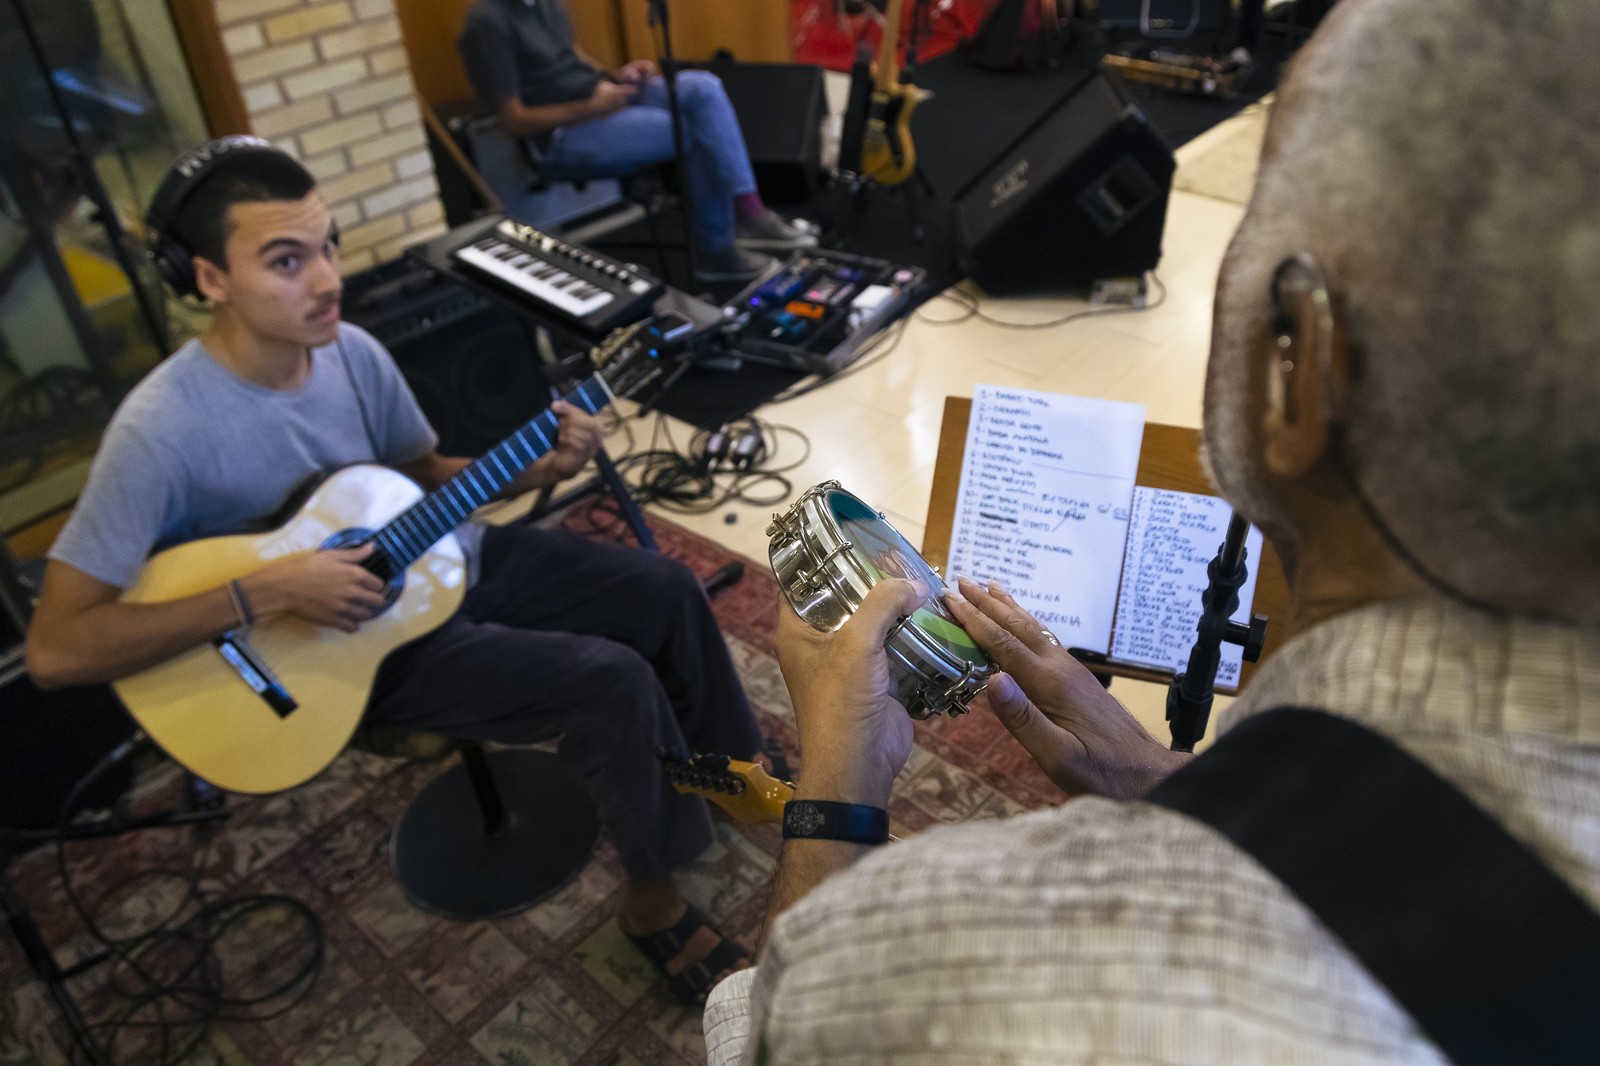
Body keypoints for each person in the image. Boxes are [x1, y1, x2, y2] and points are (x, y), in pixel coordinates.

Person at [705, 0, 1600, 1059]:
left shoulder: (975, 958)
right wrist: (1172, 785)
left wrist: (833, 799)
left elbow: (763, 1035)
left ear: (1296, 368)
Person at [23, 138, 761, 1003]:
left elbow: (423, 480)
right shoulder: (159, 432)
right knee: (610, 681)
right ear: (208, 279)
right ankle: (653, 903)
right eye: (287, 261)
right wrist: (265, 589)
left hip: (444, 561)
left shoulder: (352, 352)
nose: (328, 278)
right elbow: (57, 649)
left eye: (328, 246)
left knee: (665, 586)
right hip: (332, 654)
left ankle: (731, 772)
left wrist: (540, 464)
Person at [456, 0, 816, 284]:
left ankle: (749, 211)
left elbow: (571, 56)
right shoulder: (486, 23)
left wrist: (615, 76)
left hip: (599, 97)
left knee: (703, 88)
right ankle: (717, 248)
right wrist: (588, 106)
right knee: (691, 131)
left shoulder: (546, 3)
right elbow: (513, 120)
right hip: (564, 132)